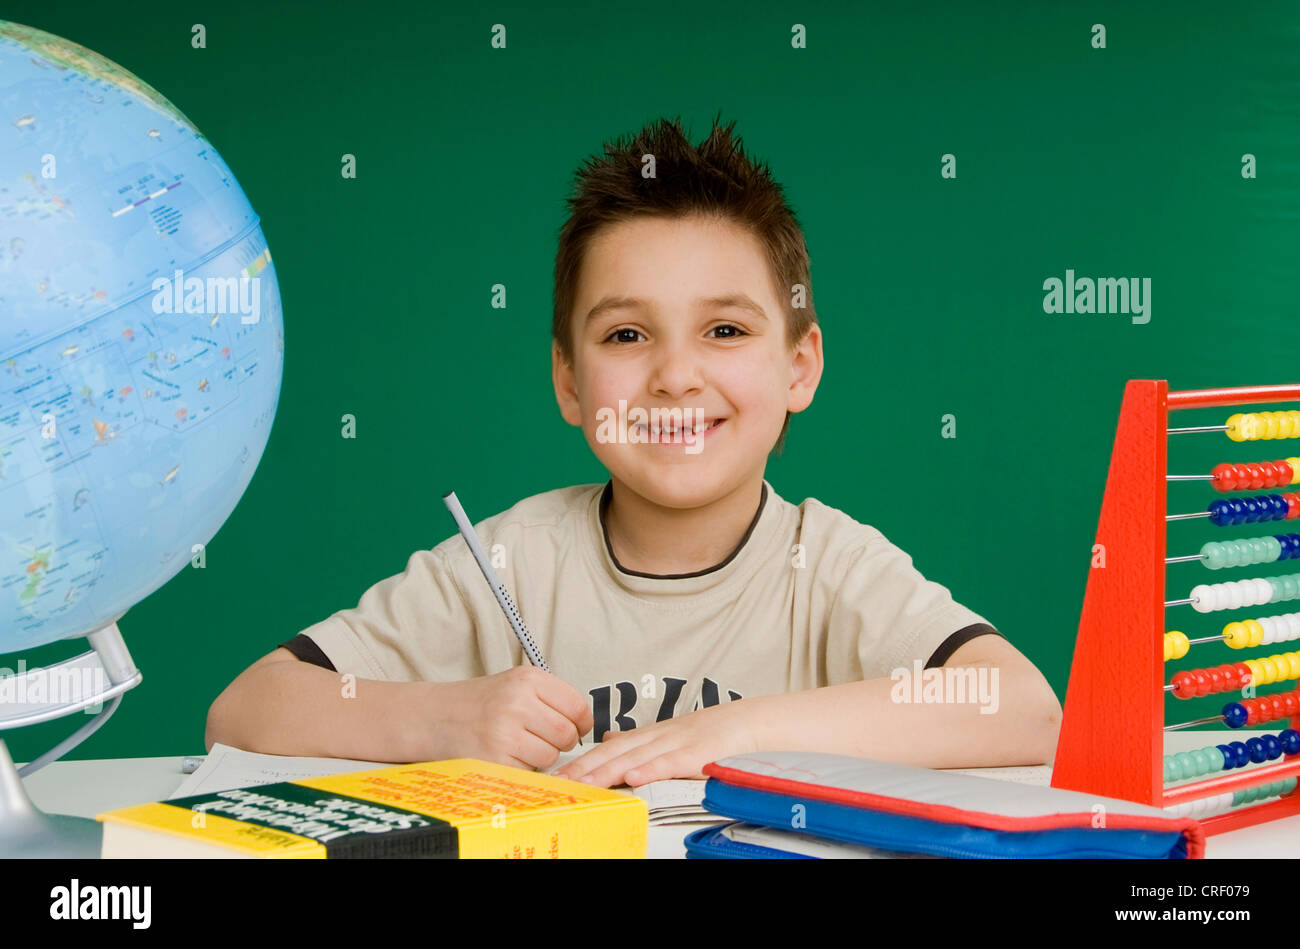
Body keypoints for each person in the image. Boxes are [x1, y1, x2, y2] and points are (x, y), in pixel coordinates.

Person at [205, 114, 1061, 788]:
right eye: (626, 333)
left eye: (725, 329)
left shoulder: (825, 566)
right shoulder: (509, 562)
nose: (676, 376)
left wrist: (731, 733)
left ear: (799, 367)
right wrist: (444, 719)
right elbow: (244, 710)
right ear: (570, 381)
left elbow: (1019, 705)